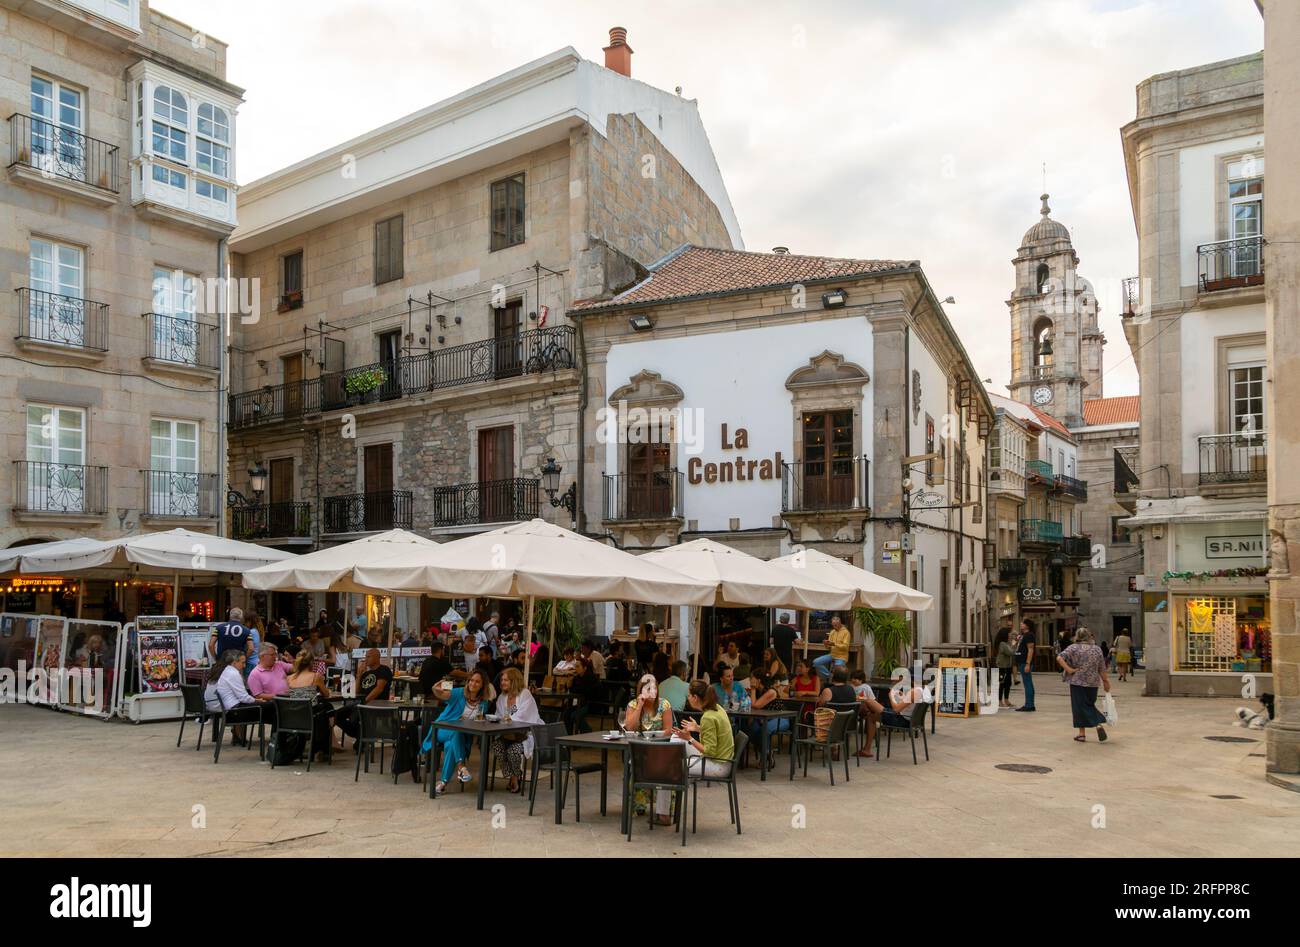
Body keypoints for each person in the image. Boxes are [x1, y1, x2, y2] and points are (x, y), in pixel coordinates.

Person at [425, 668, 491, 795]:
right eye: (471, 680)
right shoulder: (459, 693)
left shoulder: (483, 702)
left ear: (483, 685)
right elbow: (441, 695)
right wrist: (435, 688)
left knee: (450, 745)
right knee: (455, 731)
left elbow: (479, 722)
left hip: (461, 736)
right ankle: (461, 767)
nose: (473, 683)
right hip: (442, 729)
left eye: (477, 682)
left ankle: (443, 783)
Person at [624, 674, 675, 824]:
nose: (652, 692)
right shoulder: (633, 705)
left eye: (654, 689)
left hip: (660, 749)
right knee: (634, 763)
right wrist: (640, 706)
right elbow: (629, 727)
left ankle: (662, 811)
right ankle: (638, 805)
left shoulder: (664, 704)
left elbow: (668, 730)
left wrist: (654, 736)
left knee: (663, 767)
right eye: (648, 689)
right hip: (639, 750)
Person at [203, 649, 271, 746]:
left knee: (255, 704)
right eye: (243, 663)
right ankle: (276, 738)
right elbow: (244, 698)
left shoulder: (219, 670)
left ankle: (238, 736)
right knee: (271, 706)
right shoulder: (232, 673)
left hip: (214, 704)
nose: (244, 666)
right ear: (233, 662)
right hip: (225, 708)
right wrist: (257, 700)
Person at [492, 667, 543, 793]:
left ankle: (515, 778)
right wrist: (503, 720)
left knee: (513, 750)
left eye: (506, 680)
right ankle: (513, 774)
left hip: (526, 734)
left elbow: (523, 717)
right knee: (496, 746)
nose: (502, 682)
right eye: (502, 680)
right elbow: (498, 715)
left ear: (514, 681)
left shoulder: (524, 694)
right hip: (507, 734)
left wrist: (505, 720)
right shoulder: (501, 697)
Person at [1057, 628, 1111, 742]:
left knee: (1079, 708)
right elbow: (1102, 668)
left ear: (1077, 636)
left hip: (1077, 682)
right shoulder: (1097, 649)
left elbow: (1059, 657)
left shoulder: (1073, 647)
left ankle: (1096, 724)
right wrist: (1106, 682)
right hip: (1093, 683)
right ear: (1089, 636)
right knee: (1089, 705)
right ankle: (1082, 734)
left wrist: (1069, 669)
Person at [673, 681, 734, 779]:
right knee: (676, 737)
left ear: (695, 698)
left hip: (718, 765)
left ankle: (675, 777)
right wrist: (698, 728)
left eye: (689, 695)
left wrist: (689, 738)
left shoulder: (708, 717)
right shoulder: (717, 708)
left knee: (672, 766)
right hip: (721, 760)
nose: (688, 698)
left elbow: (710, 752)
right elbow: (716, 734)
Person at [285, 647, 338, 757]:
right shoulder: (316, 677)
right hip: (310, 716)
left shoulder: (289, 678)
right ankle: (324, 748)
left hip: (294, 716)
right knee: (328, 709)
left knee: (326, 709)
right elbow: (326, 694)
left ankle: (322, 747)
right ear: (312, 663)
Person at [337, 648, 393, 742]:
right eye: (365, 657)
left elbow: (379, 689)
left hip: (377, 703)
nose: (366, 659)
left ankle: (361, 739)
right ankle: (360, 735)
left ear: (377, 657)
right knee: (338, 714)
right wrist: (359, 675)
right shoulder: (365, 673)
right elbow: (356, 692)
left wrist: (365, 702)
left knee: (355, 717)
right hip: (361, 703)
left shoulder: (384, 670)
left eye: (368, 657)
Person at [746, 670, 790, 769]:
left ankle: (765, 757)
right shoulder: (758, 691)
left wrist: (752, 689)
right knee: (751, 730)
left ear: (758, 680)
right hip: (764, 719)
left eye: (751, 677)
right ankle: (768, 753)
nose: (749, 680)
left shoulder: (771, 691)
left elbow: (755, 705)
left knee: (764, 729)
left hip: (780, 719)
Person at [565, 655, 599, 734]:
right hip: (583, 703)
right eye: (575, 666)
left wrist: (572, 687)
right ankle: (569, 736)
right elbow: (572, 689)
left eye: (578, 666)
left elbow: (581, 691)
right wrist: (569, 682)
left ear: (585, 668)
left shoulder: (590, 677)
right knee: (566, 713)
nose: (575, 668)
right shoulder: (578, 677)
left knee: (575, 715)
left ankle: (587, 732)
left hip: (594, 704)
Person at [813, 616, 851, 683]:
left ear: (840, 623)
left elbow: (845, 646)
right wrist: (826, 644)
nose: (834, 626)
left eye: (836, 625)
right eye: (833, 625)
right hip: (832, 655)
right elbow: (829, 647)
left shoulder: (846, 632)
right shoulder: (832, 632)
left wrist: (834, 644)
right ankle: (830, 676)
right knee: (816, 662)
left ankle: (836, 681)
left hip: (842, 656)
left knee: (838, 671)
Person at [1014, 619, 1037, 712]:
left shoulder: (1029, 635)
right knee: (1028, 683)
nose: (1020, 624)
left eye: (1023, 623)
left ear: (1027, 625)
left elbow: (1030, 649)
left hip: (1025, 662)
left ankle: (1029, 705)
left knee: (1027, 684)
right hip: (1022, 661)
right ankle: (1030, 704)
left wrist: (1028, 663)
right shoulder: (1024, 635)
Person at [994, 626, 1015, 708]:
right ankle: (999, 701)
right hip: (1002, 667)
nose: (1010, 635)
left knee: (1008, 684)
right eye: (1009, 633)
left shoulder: (1006, 643)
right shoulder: (1002, 644)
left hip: (1007, 666)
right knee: (1002, 683)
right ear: (1005, 634)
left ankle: (1006, 700)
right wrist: (1013, 645)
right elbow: (1010, 652)